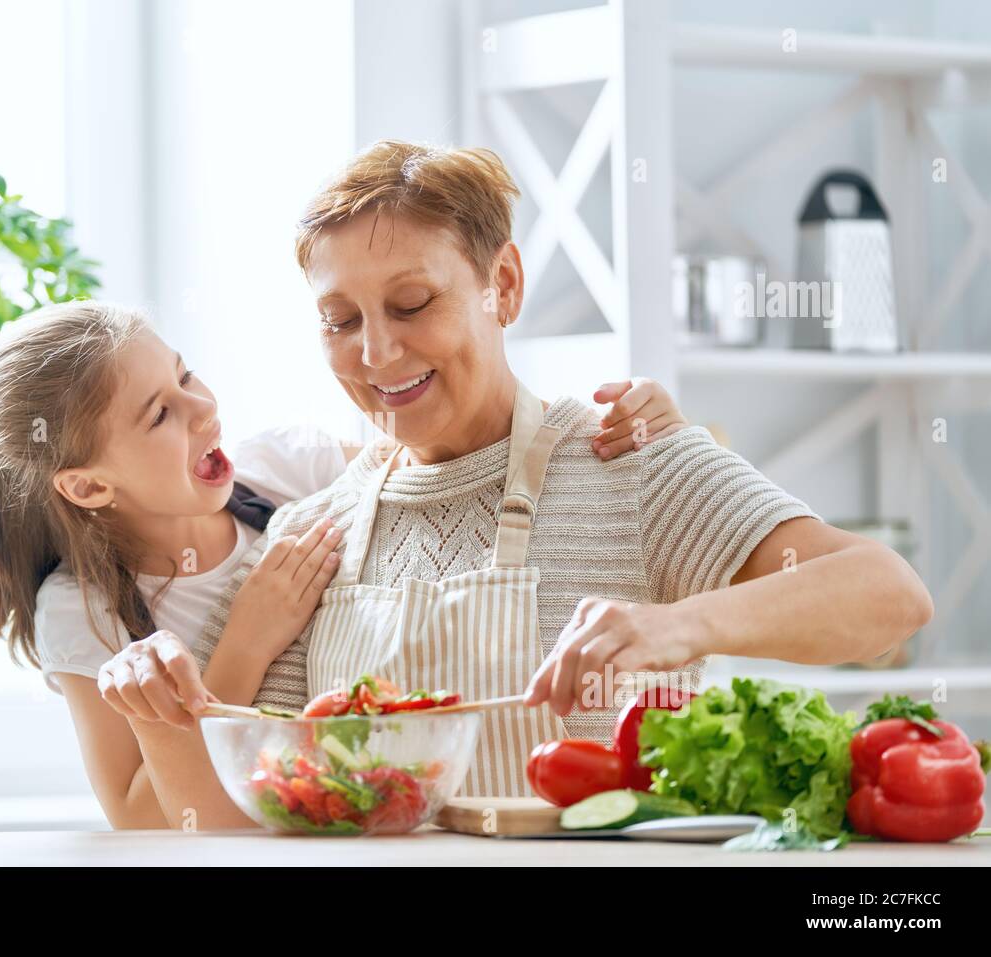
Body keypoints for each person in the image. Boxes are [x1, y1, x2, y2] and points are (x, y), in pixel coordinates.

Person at [104, 141, 933, 827]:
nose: (377, 353)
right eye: (341, 320)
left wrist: (679, 625)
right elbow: (250, 823)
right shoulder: (308, 538)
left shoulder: (629, 461)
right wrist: (159, 704)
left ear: (502, 285)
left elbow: (890, 601)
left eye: (413, 302)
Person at [0, 299, 687, 826]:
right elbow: (140, 812)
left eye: (186, 376)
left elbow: (461, 463)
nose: (204, 408)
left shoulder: (283, 470)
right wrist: (246, 642)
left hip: (360, 821)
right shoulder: (87, 606)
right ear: (90, 485)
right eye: (160, 414)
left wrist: (609, 427)